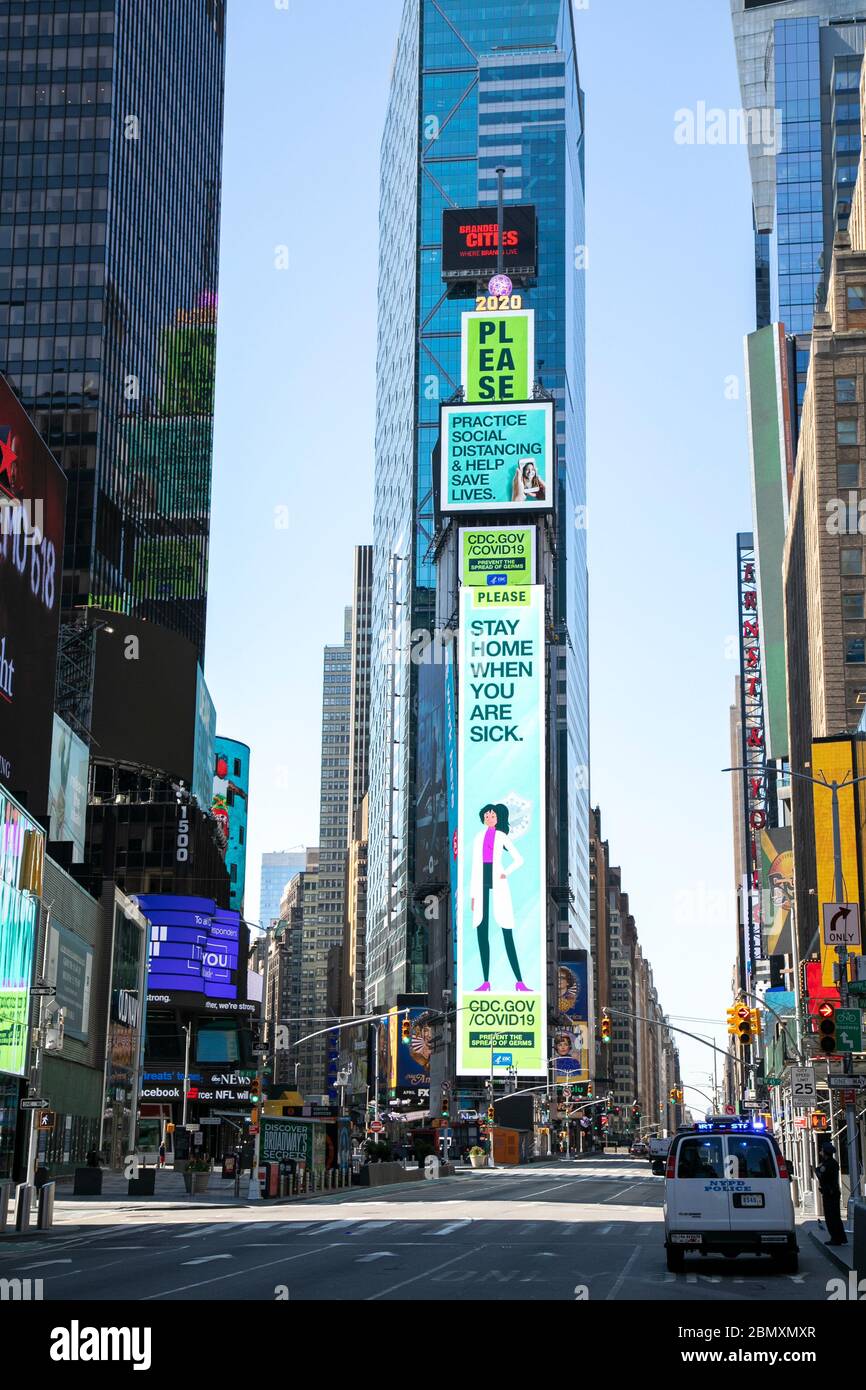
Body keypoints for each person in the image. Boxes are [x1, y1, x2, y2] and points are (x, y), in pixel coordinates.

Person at [469, 803, 529, 992]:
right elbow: (474, 867)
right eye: (486, 815)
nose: (489, 818)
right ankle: (485, 982)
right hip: (481, 885)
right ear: (483, 818)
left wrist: (506, 873)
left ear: (497, 818)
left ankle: (519, 982)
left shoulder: (502, 836)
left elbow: (519, 859)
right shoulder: (478, 838)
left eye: (492, 815)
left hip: (498, 882)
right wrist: (472, 895)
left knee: (506, 931)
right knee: (481, 931)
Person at [814, 1142, 847, 1245]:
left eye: (822, 1151)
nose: (821, 1152)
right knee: (836, 1216)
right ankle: (841, 1238)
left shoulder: (828, 1164)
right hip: (833, 1192)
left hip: (830, 1193)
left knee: (831, 1217)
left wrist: (816, 1170)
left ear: (825, 1153)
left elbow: (822, 1176)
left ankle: (836, 1238)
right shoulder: (833, 1163)